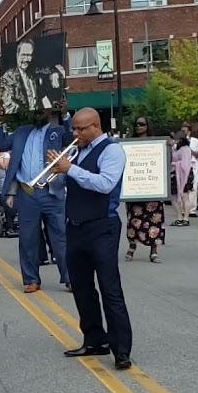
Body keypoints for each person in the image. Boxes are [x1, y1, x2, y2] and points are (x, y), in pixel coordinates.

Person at [46, 109, 133, 370]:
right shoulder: (77, 151)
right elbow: (60, 187)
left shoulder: (112, 151)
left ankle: (121, 349)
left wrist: (70, 169)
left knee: (109, 288)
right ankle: (95, 338)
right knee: (82, 287)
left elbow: (105, 184)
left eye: (80, 129)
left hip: (102, 226)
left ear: (95, 127)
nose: (75, 134)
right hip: (76, 226)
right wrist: (57, 172)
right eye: (74, 129)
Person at [0, 108, 71, 292]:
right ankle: (31, 279)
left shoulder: (58, 131)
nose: (38, 114)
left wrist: (65, 116)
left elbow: (71, 140)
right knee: (27, 238)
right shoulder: (21, 131)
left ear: (49, 112)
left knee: (60, 237)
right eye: (35, 110)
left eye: (42, 110)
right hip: (27, 192)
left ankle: (70, 278)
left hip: (51, 192)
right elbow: (0, 144)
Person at [124, 117, 165, 263]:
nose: (139, 127)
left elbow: (163, 162)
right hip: (135, 188)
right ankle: (132, 247)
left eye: (142, 124)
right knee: (134, 220)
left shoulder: (156, 143)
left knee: (154, 220)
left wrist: (168, 146)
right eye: (136, 124)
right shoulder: (129, 143)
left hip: (153, 187)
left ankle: (153, 251)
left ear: (148, 126)